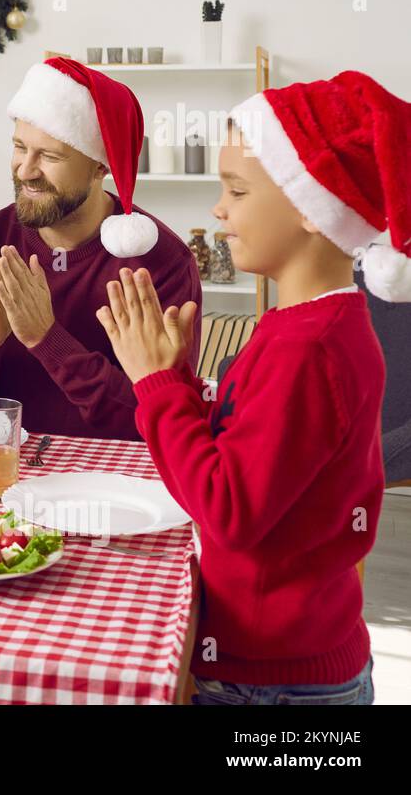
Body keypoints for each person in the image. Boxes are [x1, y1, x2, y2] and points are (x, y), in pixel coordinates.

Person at [97, 71, 406, 703]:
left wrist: (155, 384)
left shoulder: (307, 349)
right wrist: (179, 377)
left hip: (270, 683)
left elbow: (229, 508)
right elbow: (247, 450)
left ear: (309, 209)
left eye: (236, 190)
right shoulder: (309, 324)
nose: (218, 210)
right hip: (295, 659)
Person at [0, 58, 202, 440]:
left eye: (49, 156)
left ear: (100, 167)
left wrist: (47, 338)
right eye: (19, 147)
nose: (25, 170)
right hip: (11, 469)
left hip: (118, 478)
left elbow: (156, 425)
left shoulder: (160, 263)